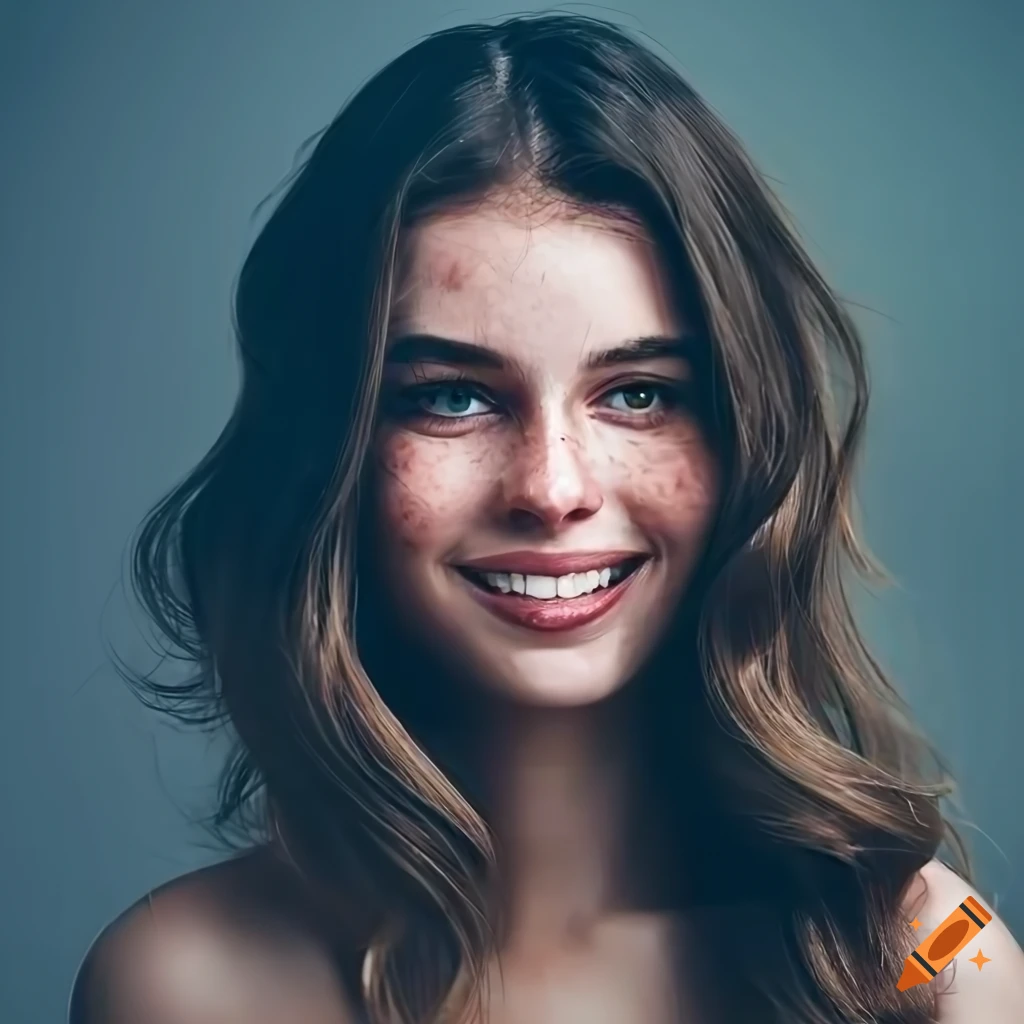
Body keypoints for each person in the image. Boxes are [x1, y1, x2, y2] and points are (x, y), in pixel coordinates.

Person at [69, 12, 1024, 1024]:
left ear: (746, 434)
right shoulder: (180, 986)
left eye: (639, 393)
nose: (552, 487)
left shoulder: (930, 959)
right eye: (451, 396)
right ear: (328, 446)